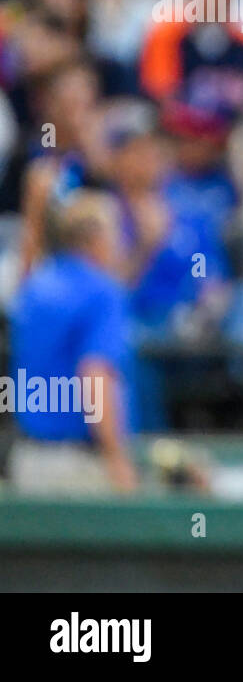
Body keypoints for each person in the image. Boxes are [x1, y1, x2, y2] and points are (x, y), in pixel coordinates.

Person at [6, 190, 138, 493]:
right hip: (80, 468)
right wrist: (117, 459)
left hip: (27, 460)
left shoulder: (35, 287)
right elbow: (94, 376)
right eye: (115, 233)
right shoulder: (103, 292)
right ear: (95, 239)